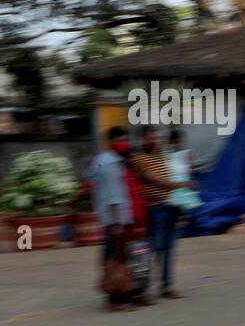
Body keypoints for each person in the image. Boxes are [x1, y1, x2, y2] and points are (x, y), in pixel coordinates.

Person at [131, 127, 188, 299]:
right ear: (142, 139)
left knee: (169, 248)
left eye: (156, 138)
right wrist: (179, 186)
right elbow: (152, 179)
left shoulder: (162, 155)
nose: (154, 141)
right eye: (150, 138)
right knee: (152, 248)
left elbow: (176, 172)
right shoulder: (138, 158)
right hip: (155, 209)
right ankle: (143, 288)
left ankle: (166, 286)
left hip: (171, 206)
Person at [85, 126, 136, 311]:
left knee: (110, 258)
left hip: (107, 217)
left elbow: (89, 178)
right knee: (117, 260)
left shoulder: (100, 160)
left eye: (125, 139)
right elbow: (113, 195)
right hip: (115, 219)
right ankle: (116, 301)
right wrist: (116, 223)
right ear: (112, 142)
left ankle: (112, 298)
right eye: (120, 140)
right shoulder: (111, 163)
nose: (124, 144)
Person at [165, 128, 202, 214]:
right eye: (173, 142)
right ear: (169, 143)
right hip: (172, 187)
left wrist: (191, 182)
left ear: (182, 141)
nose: (176, 144)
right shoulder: (167, 156)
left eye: (178, 142)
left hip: (185, 187)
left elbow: (191, 171)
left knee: (186, 213)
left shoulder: (187, 153)